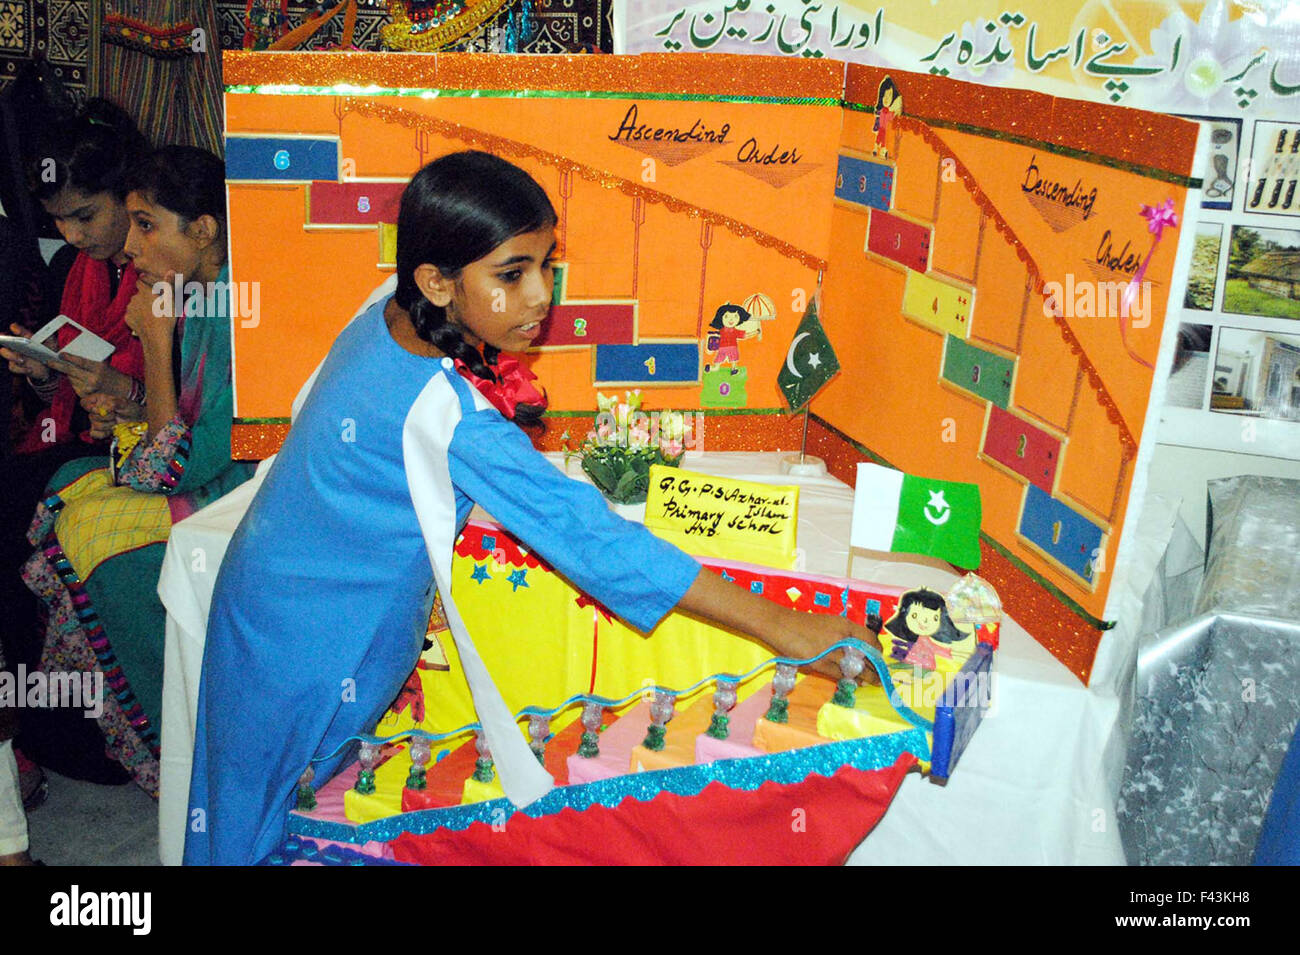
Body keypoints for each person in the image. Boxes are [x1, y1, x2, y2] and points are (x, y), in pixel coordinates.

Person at [184, 150, 881, 866]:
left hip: (267, 604)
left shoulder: (388, 310)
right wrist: (785, 624)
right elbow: (592, 537)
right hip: (311, 642)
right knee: (253, 828)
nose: (541, 294)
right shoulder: (447, 413)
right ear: (436, 280)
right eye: (512, 274)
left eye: (548, 264)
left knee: (250, 808)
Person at [21, 146, 255, 796]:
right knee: (65, 490)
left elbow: (174, 467)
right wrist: (122, 402)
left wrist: (154, 343)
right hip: (205, 480)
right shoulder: (205, 291)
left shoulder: (231, 305)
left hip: (242, 503)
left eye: (147, 224)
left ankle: (185, 749)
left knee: (99, 544)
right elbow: (171, 434)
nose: (133, 243)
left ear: (203, 229)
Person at [0, 99, 150, 783]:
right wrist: (41, 374)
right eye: (58, 217)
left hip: (142, 447)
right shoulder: (79, 271)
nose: (71, 232)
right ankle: (42, 725)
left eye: (85, 214)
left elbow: (189, 409)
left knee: (15, 508)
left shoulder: (163, 272)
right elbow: (58, 397)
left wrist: (121, 391)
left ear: (131, 196)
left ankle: (82, 734)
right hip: (89, 436)